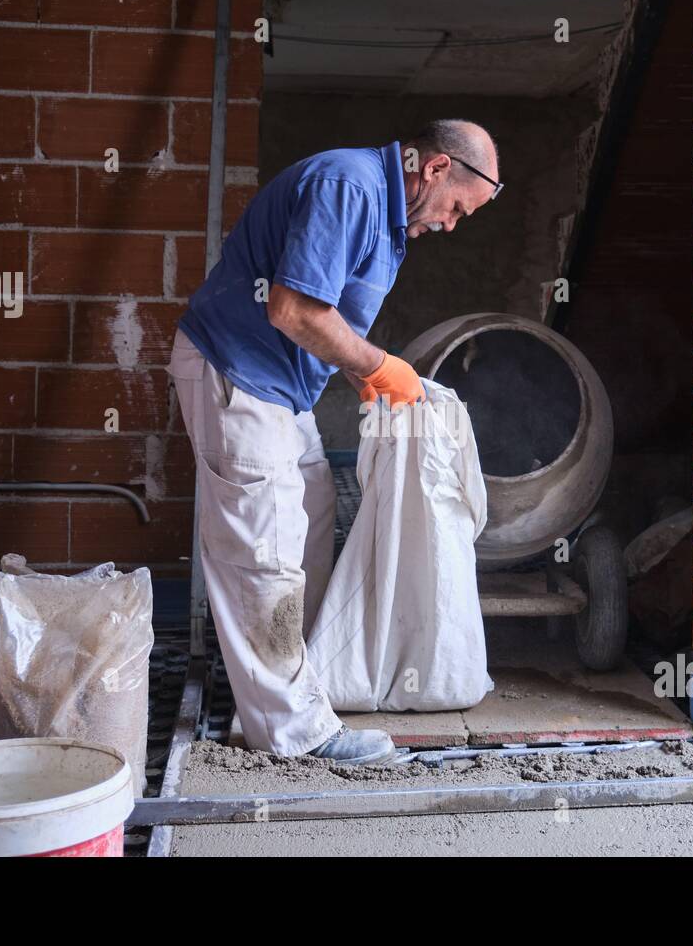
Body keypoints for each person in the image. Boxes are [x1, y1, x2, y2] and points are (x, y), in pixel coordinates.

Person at [166, 119, 501, 764]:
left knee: (314, 513)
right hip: (237, 371)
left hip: (281, 386)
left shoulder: (387, 210)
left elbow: (330, 316)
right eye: (457, 207)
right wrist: (379, 366)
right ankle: (295, 733)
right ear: (433, 170)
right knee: (263, 552)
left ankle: (298, 678)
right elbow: (291, 309)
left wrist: (363, 373)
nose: (452, 225)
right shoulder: (347, 186)